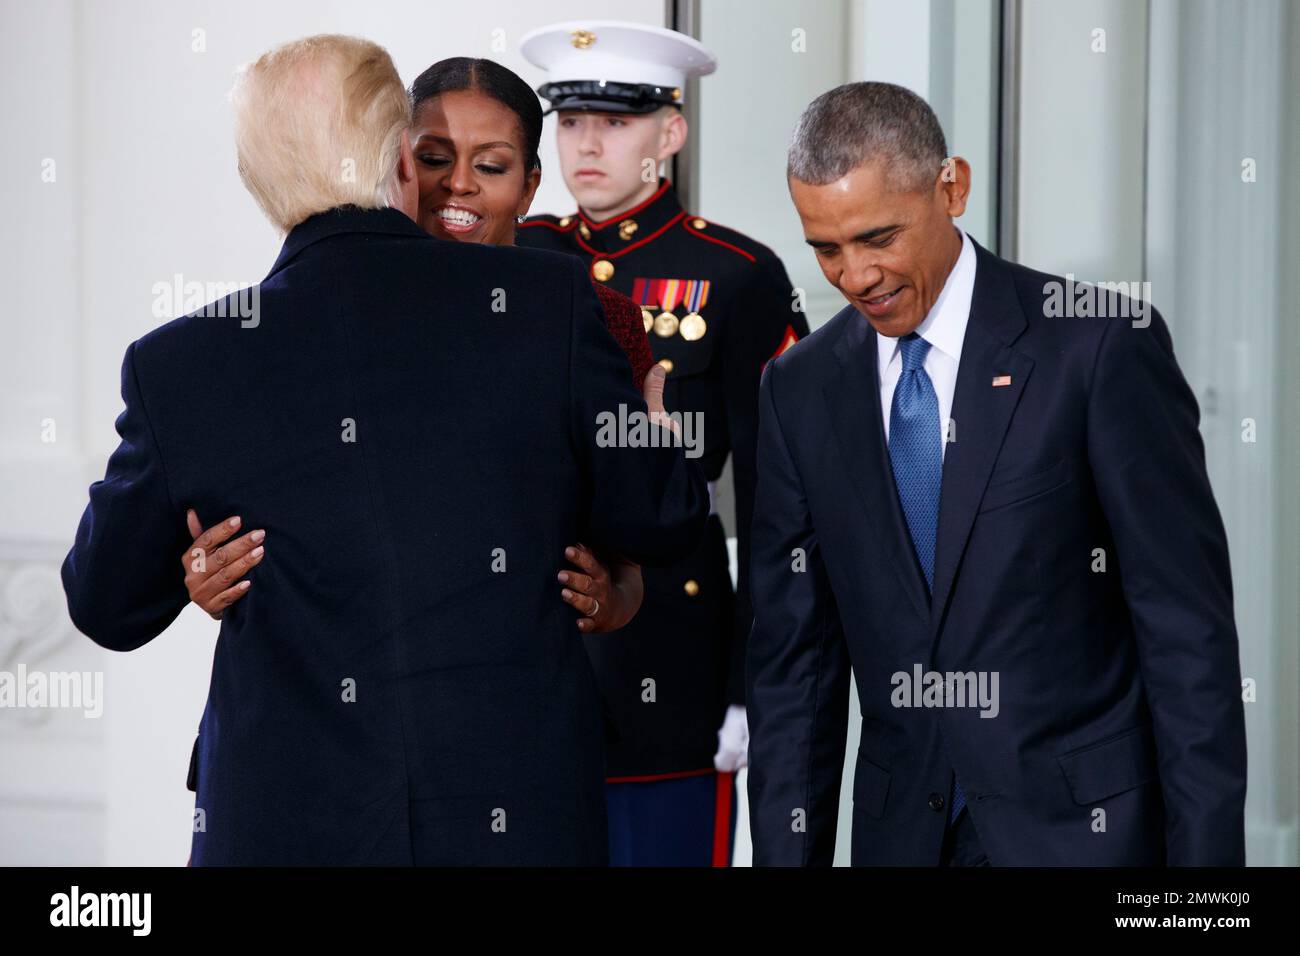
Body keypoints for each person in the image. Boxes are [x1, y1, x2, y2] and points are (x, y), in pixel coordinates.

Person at [61, 34, 708, 866]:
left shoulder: (180, 361)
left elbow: (103, 604)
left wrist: (189, 569)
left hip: (285, 825)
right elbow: (660, 522)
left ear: (255, 179)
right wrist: (650, 442)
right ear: (402, 158)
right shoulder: (549, 308)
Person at [746, 81, 1247, 866]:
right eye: (826, 248)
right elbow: (793, 673)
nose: (855, 276)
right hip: (902, 836)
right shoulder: (798, 389)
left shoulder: (1099, 348)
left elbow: (1187, 637)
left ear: (953, 187)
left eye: (879, 237)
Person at [513, 20, 809, 867]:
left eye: (615, 121)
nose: (587, 144)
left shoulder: (736, 273)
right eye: (570, 123)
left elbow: (771, 500)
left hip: (672, 660)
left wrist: (751, 687)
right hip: (530, 651)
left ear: (669, 134)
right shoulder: (518, 258)